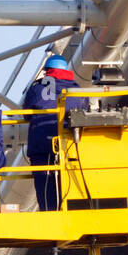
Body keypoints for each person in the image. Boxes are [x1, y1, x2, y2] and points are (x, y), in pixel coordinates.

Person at [22, 55, 85, 209]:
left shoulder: (39, 88)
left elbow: (27, 113)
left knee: (46, 187)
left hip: (43, 144)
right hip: (70, 145)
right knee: (70, 182)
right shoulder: (78, 91)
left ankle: (50, 212)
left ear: (48, 71)